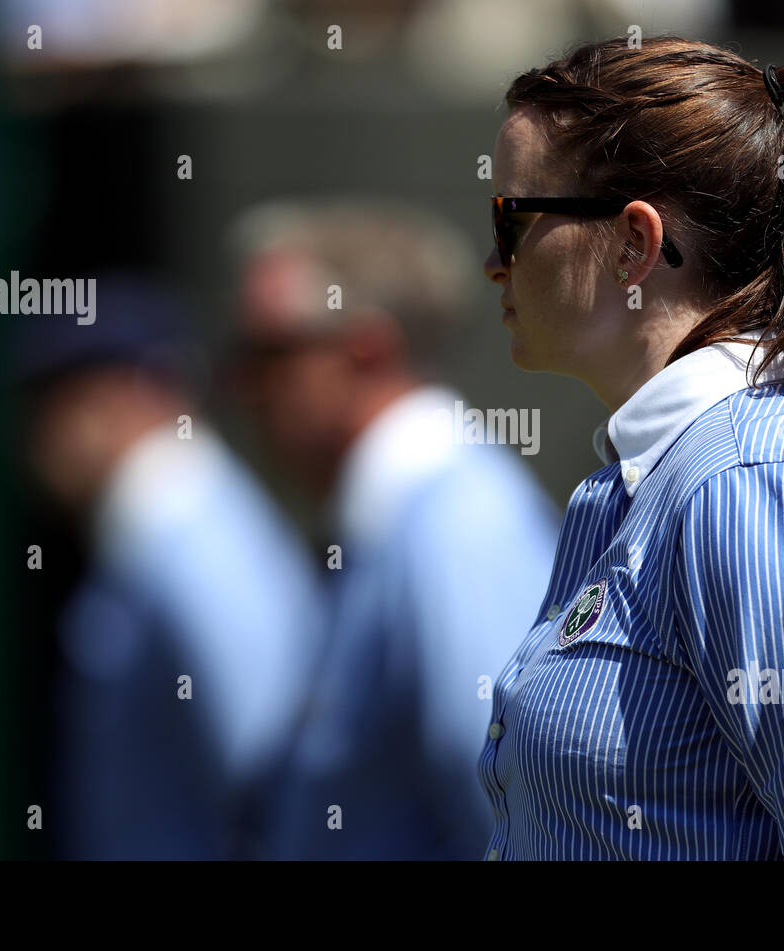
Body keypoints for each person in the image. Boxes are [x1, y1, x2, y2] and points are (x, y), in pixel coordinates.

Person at [478, 36, 784, 860]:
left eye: (510, 220)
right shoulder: (644, 483)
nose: (491, 264)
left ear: (633, 244)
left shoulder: (747, 485)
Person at [227, 199, 558, 859]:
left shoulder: (460, 526)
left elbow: (510, 810)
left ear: (367, 351)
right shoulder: (402, 519)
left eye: (268, 354)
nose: (241, 388)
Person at [15, 276, 323, 859]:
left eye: (52, 399)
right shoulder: (160, 528)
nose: (32, 434)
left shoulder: (192, 534)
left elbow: (273, 771)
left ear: (125, 393)